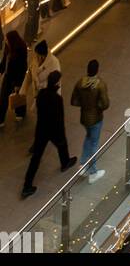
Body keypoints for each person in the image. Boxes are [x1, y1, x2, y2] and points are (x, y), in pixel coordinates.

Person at [21, 70, 76, 199]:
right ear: (56, 83)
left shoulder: (41, 94)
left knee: (36, 158)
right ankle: (65, 162)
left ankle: (27, 186)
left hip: (41, 130)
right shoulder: (57, 99)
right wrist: (61, 133)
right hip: (53, 130)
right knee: (62, 145)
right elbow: (59, 118)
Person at [70, 59, 109, 183]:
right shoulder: (100, 84)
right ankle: (93, 172)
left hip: (84, 117)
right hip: (96, 118)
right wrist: (96, 106)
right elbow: (105, 104)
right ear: (97, 70)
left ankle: (82, 165)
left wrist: (85, 104)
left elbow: (74, 101)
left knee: (88, 138)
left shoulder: (80, 83)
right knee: (94, 143)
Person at [21, 40, 61, 110]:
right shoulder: (35, 60)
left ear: (43, 56)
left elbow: (57, 82)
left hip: (48, 97)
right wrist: (23, 89)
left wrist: (56, 100)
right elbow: (29, 75)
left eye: (37, 55)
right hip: (38, 94)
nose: (35, 56)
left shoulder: (54, 63)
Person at [0, 29, 28, 128]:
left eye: (7, 40)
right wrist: (1, 70)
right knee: (3, 97)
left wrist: (18, 84)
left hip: (17, 77)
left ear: (12, 40)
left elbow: (23, 67)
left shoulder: (21, 49)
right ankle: (1, 119)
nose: (5, 42)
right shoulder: (8, 46)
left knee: (18, 95)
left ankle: (20, 113)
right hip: (8, 76)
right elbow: (4, 60)